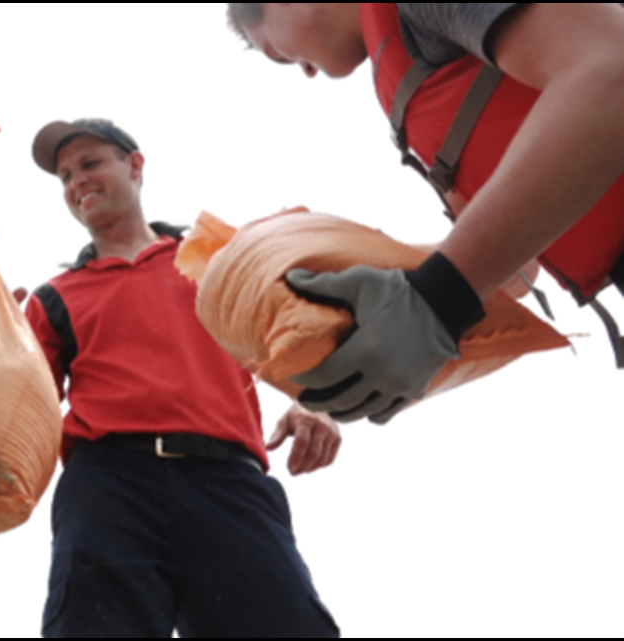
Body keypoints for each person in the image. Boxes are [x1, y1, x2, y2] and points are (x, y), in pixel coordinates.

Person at [226, 3, 624, 423]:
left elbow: (610, 66)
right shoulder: (408, 81)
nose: (304, 71)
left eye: (280, 55)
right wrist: (351, 360)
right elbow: (513, 272)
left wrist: (436, 296)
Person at [25, 118, 341, 638]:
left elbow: (288, 332)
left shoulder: (213, 257)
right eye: (63, 176)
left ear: (135, 165)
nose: (75, 181)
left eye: (89, 163)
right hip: (110, 486)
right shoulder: (54, 298)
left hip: (227, 481)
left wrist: (313, 401)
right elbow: (13, 406)